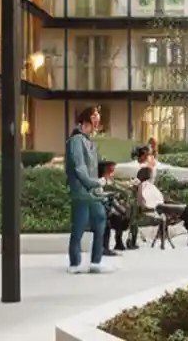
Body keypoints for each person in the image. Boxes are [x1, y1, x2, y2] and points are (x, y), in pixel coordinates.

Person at [66, 106, 111, 274]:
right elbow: (80, 168)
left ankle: (95, 261)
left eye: (98, 116)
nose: (97, 120)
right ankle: (75, 263)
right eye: (94, 116)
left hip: (93, 193)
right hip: (81, 191)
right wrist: (94, 183)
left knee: (100, 220)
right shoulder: (76, 141)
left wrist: (100, 182)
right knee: (79, 226)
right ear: (85, 119)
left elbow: (91, 168)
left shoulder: (89, 141)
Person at [136, 166, 188, 247]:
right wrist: (146, 206)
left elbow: (159, 197)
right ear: (147, 175)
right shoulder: (142, 185)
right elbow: (142, 200)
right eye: (152, 174)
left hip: (161, 207)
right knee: (187, 209)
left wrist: (173, 202)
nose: (153, 176)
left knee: (187, 211)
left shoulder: (150, 185)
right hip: (158, 208)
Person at [99, 161, 132, 255]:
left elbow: (120, 187)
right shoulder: (101, 180)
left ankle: (118, 241)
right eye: (111, 166)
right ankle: (110, 245)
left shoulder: (111, 179)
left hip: (111, 205)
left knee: (123, 215)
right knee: (116, 218)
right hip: (106, 206)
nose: (114, 168)